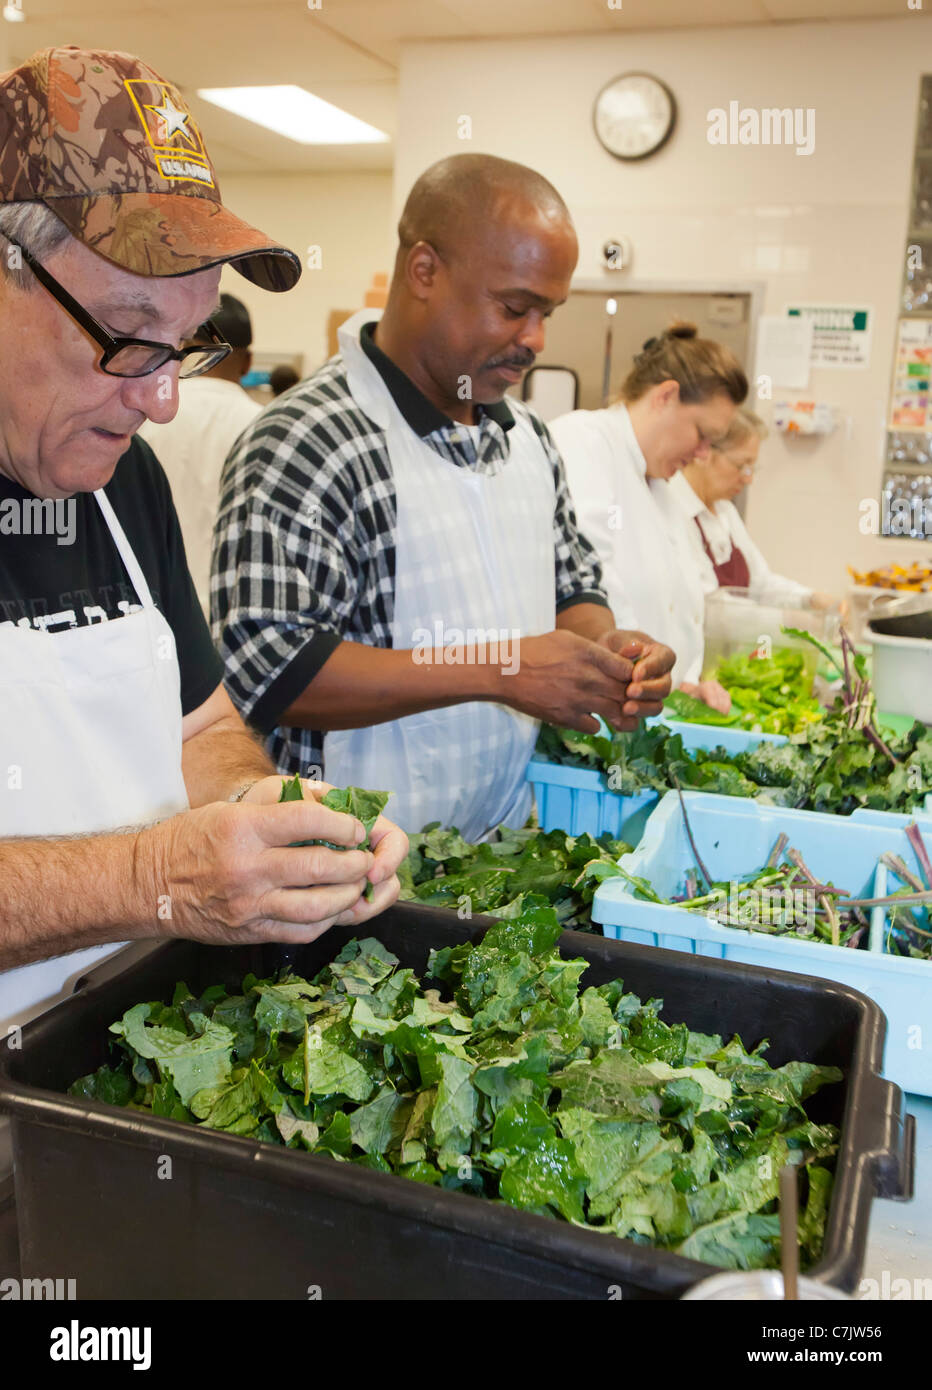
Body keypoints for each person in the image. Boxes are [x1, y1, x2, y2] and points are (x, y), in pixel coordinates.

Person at [0, 45, 407, 1047]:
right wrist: (156, 880)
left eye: (181, 345)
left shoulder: (115, 476)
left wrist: (261, 813)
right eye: (130, 335)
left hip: (96, 1094)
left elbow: (199, 729)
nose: (165, 397)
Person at [212, 153, 675, 842]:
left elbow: (571, 586)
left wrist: (604, 653)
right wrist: (501, 670)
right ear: (424, 271)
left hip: (495, 855)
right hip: (346, 877)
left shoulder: (529, 441)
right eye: (514, 308)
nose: (535, 341)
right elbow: (273, 671)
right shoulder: (310, 440)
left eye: (547, 313)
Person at [550, 324, 747, 714]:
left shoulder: (662, 482)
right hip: (599, 707)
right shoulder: (585, 441)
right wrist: (646, 672)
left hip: (651, 709)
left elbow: (686, 605)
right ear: (666, 396)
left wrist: (689, 681)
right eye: (702, 434)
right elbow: (588, 576)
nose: (704, 454)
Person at [138, 292, 261, 612]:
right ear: (248, 363)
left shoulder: (146, 416)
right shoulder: (263, 427)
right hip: (230, 611)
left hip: (152, 603)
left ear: (185, 349)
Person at [668, 406, 841, 610]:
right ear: (704, 453)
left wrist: (808, 599)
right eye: (741, 465)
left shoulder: (726, 512)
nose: (748, 478)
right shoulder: (673, 511)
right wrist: (787, 621)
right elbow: (709, 604)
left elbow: (761, 584)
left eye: (752, 468)